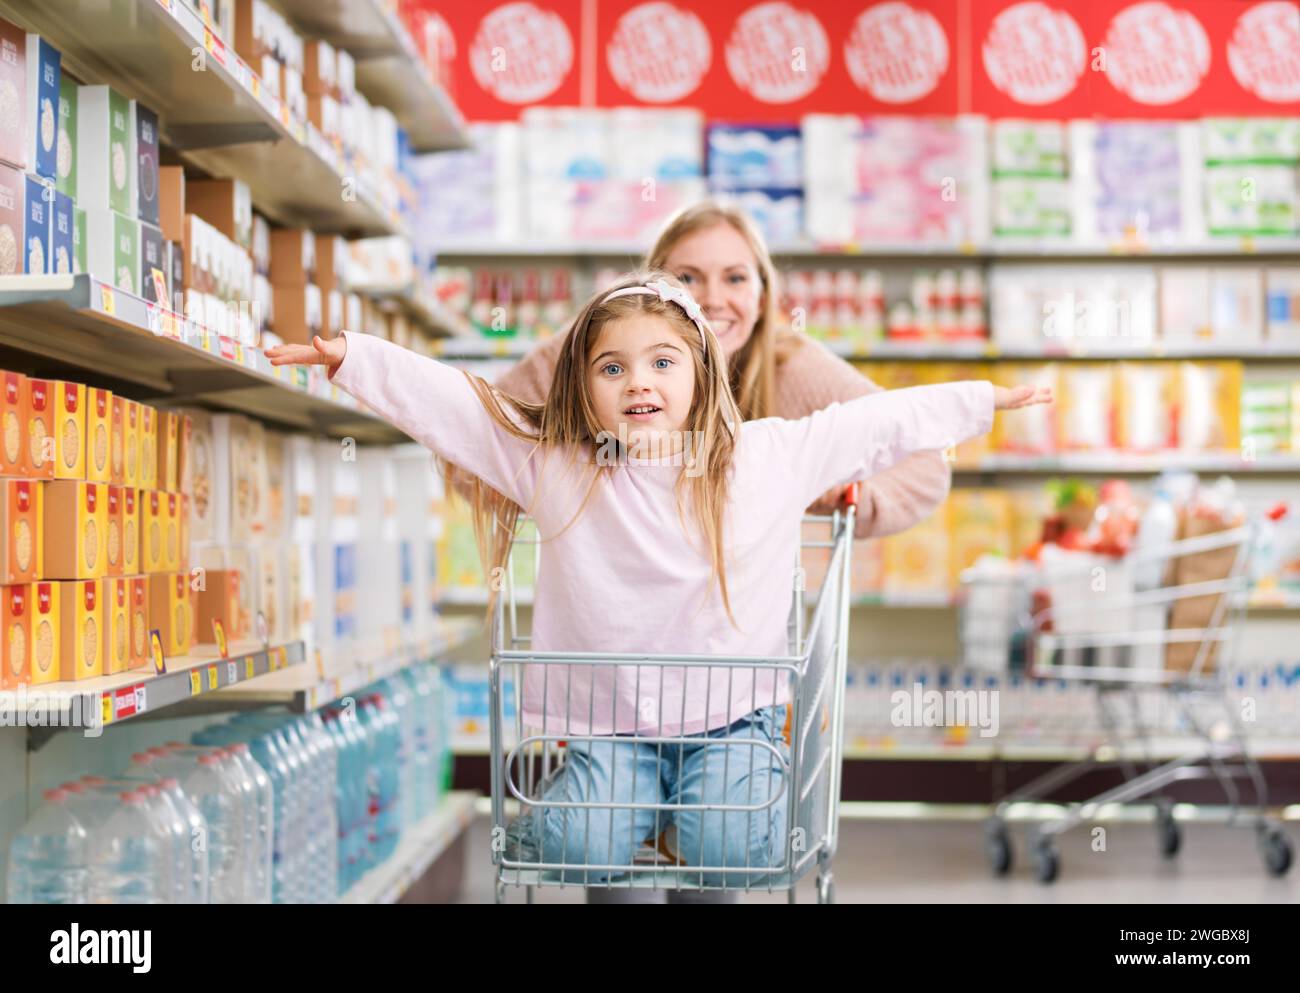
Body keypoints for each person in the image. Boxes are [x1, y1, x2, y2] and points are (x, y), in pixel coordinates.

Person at [265, 271, 1049, 894]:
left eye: (662, 362)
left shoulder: (764, 458)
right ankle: (608, 815)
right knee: (578, 847)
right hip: (610, 728)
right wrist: (352, 357)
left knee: (729, 851)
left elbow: (874, 425)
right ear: (584, 385)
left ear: (701, 371)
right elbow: (457, 409)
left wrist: (983, 400)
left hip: (734, 719)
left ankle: (684, 814)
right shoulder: (559, 466)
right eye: (613, 366)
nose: (638, 381)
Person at [492, 200, 952, 539]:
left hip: (743, 619)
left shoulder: (793, 366)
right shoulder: (597, 346)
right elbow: (485, 427)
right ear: (649, 290)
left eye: (735, 278)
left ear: (764, 295)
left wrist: (852, 495)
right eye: (687, 278)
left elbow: (922, 454)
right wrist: (579, 468)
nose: (711, 298)